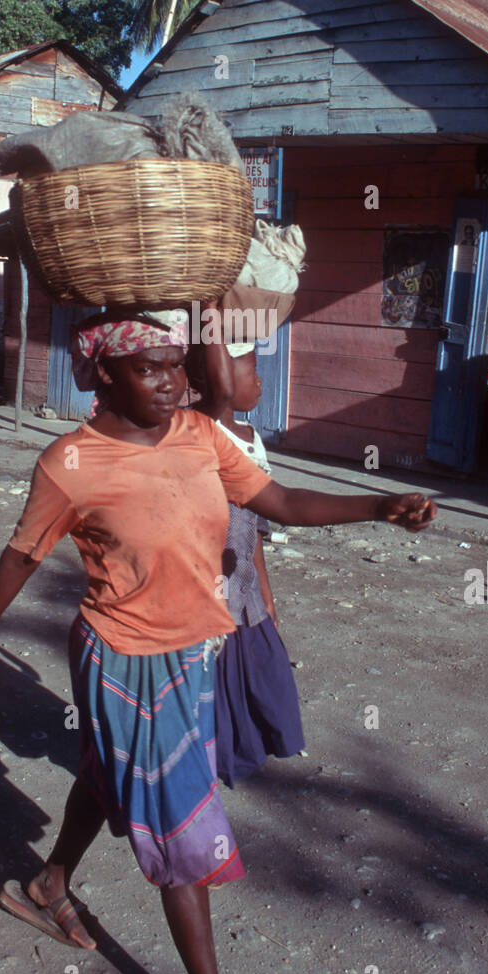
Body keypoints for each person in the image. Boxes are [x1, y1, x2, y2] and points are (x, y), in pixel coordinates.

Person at [0, 308, 435, 974]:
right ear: (105, 375)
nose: (171, 382)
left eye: (175, 366)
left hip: (194, 654)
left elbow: (279, 501)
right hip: (122, 656)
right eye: (149, 369)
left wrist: (376, 506)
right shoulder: (70, 464)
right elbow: (22, 556)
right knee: (181, 832)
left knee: (104, 773)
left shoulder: (201, 435)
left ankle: (50, 883)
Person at [186, 334, 305, 787]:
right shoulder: (201, 429)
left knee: (258, 671)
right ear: (214, 377)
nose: (260, 379)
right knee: (210, 679)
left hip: (243, 583)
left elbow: (256, 520)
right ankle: (205, 763)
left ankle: (242, 749)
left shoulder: (252, 439)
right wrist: (212, 313)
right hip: (205, 585)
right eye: (248, 369)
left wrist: (266, 592)